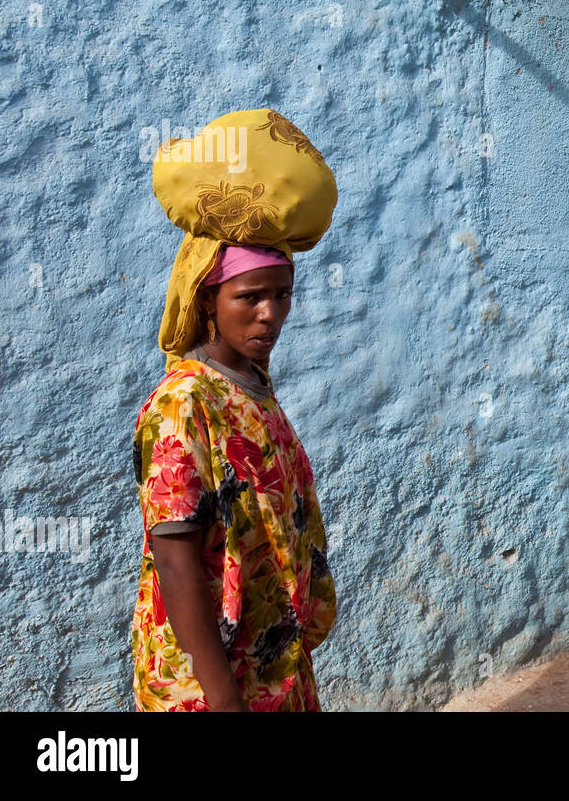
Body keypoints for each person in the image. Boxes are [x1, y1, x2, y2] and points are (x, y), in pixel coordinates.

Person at [131, 109, 338, 711]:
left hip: (269, 664)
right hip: (211, 685)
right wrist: (224, 703)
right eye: (250, 296)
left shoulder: (250, 387)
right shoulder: (183, 403)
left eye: (282, 296)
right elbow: (176, 564)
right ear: (206, 296)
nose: (269, 314)